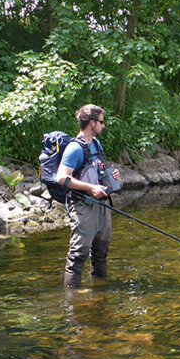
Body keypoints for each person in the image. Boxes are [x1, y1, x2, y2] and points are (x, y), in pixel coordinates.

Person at [56, 104, 121, 288]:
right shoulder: (74, 148)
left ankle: (100, 295)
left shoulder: (96, 144)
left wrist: (112, 174)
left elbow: (96, 171)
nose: (103, 125)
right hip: (84, 207)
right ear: (91, 123)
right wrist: (90, 188)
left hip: (102, 205)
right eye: (101, 122)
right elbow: (61, 177)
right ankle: (73, 300)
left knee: (101, 254)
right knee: (78, 256)